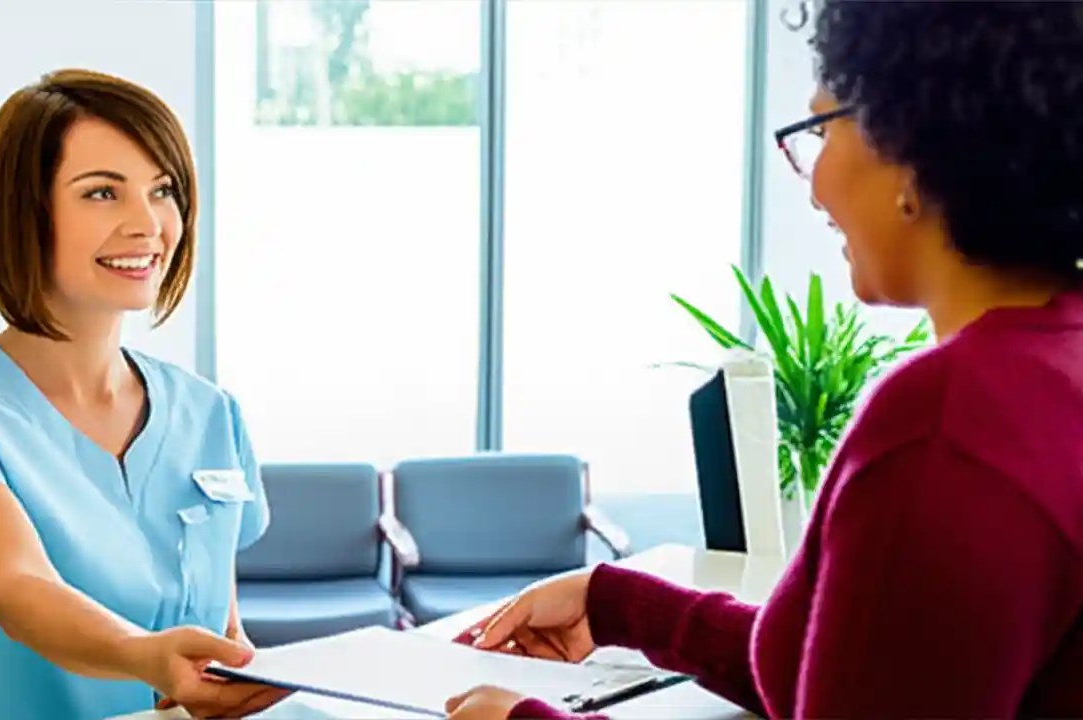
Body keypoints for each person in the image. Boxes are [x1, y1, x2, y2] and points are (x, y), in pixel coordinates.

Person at [447, 3, 1083, 719]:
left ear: (911, 140)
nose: (812, 185)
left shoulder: (948, 429)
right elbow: (866, 669)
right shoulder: (1055, 368)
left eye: (821, 130)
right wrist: (615, 602)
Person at [0, 69, 287, 720]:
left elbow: (224, 638)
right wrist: (146, 655)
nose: (147, 223)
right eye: (101, 193)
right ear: (24, 212)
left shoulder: (210, 414)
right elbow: (16, 584)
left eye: (163, 190)